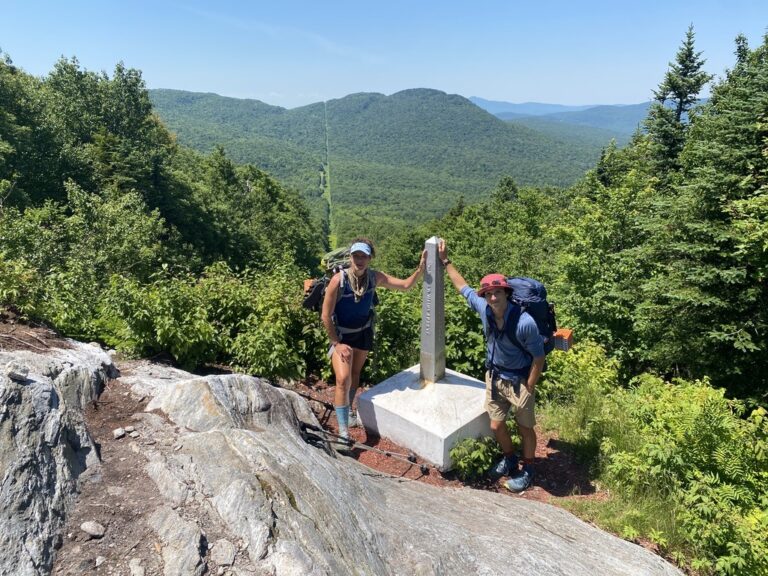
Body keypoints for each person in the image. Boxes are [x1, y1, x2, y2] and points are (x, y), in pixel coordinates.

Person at [438, 240, 544, 492]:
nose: (493, 297)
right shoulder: (484, 308)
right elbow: (462, 287)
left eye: (497, 292)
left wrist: (529, 385)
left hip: (519, 380)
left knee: (524, 426)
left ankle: (528, 467)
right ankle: (510, 458)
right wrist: (445, 261)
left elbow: (539, 357)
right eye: (488, 293)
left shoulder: (525, 322)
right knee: (496, 425)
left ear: (507, 293)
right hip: (495, 377)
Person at [321, 238, 426, 442]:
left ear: (370, 258)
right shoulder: (338, 281)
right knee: (342, 379)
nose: (359, 260)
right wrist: (336, 343)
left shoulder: (374, 277)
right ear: (350, 257)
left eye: (364, 256)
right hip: (342, 336)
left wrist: (421, 267)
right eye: (356, 256)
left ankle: (349, 411)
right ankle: (343, 433)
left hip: (363, 332)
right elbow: (326, 315)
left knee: (355, 373)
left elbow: (405, 285)